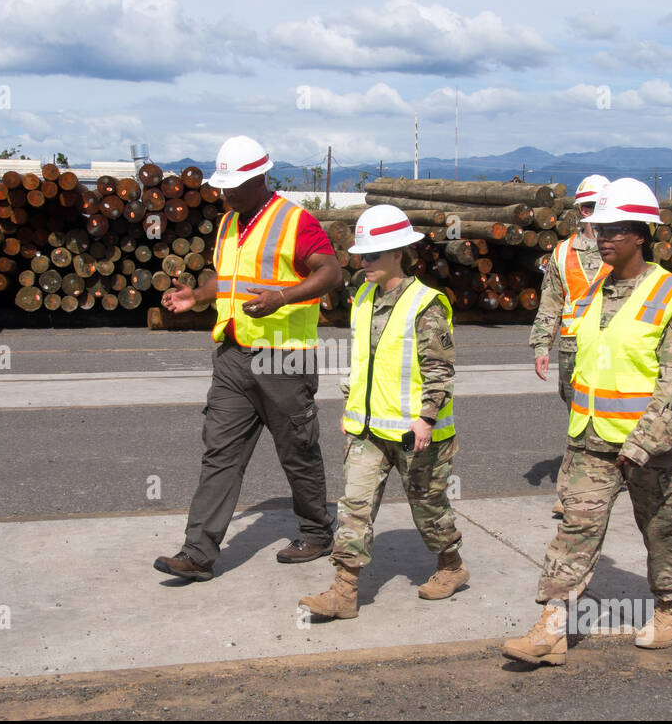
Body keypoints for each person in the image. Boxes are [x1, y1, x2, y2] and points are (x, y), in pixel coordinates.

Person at [502, 178, 672, 666]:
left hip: (658, 449)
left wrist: (641, 444)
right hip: (592, 441)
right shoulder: (593, 288)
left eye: (615, 230)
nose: (603, 237)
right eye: (599, 229)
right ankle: (551, 629)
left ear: (641, 235)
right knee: (575, 528)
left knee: (660, 530)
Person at [153, 135, 344, 581]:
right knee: (219, 453)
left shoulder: (294, 221)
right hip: (234, 357)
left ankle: (317, 531)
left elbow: (330, 272)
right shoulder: (227, 224)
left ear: (261, 178)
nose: (226, 193)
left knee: (297, 451)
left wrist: (283, 297)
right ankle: (197, 553)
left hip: (285, 360)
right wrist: (197, 296)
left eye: (234, 185)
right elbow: (229, 281)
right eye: (223, 185)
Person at [298, 205, 465, 619]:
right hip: (368, 430)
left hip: (415, 433)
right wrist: (351, 404)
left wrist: (427, 417)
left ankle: (451, 565)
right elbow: (362, 360)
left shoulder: (425, 304)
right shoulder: (364, 296)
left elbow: (440, 370)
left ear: (397, 254)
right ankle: (344, 590)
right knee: (353, 506)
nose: (362, 262)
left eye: (371, 255)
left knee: (429, 510)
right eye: (360, 255)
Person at [530, 174, 611, 516]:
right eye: (587, 207)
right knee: (578, 421)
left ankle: (591, 486)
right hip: (572, 349)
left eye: (598, 207)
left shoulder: (623, 249)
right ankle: (574, 491)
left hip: (613, 349)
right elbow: (551, 301)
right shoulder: (563, 252)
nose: (591, 215)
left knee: (612, 418)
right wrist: (540, 346)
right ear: (579, 210)